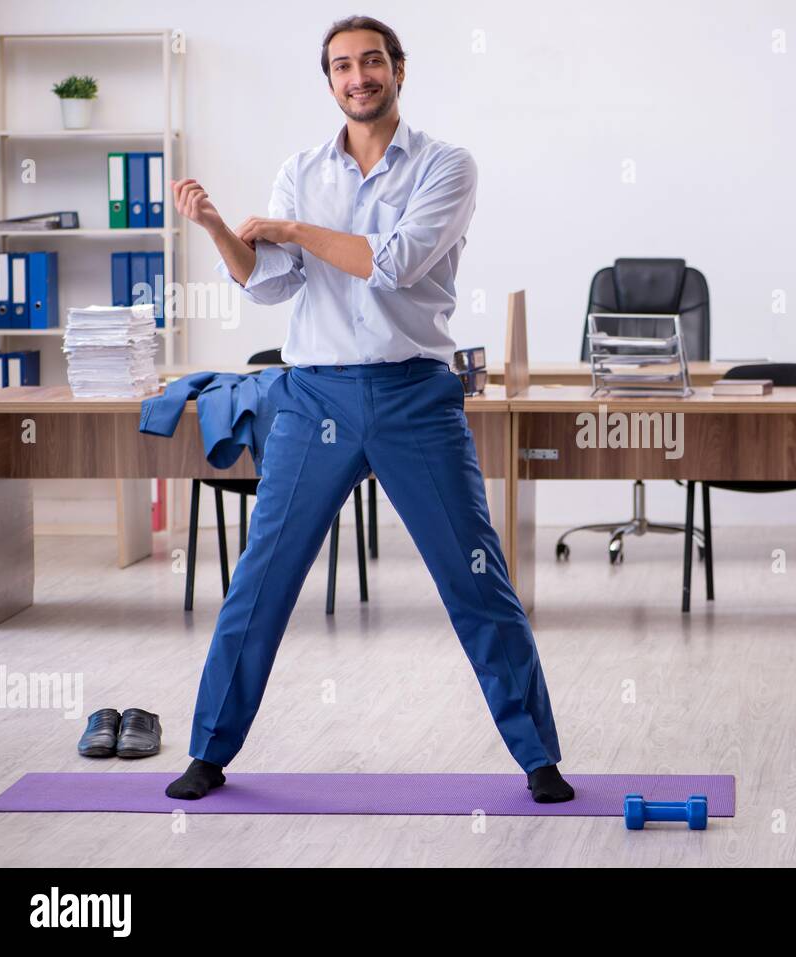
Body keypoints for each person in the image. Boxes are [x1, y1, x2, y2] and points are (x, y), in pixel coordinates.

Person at [164, 15, 573, 804]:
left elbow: (393, 263)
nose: (360, 76)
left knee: (475, 575)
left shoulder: (447, 166)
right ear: (329, 81)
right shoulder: (301, 168)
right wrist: (219, 226)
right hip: (313, 394)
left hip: (415, 395)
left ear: (399, 70)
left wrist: (286, 226)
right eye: (343, 66)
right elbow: (271, 281)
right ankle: (209, 751)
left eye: (373, 61)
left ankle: (538, 758)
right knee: (263, 577)